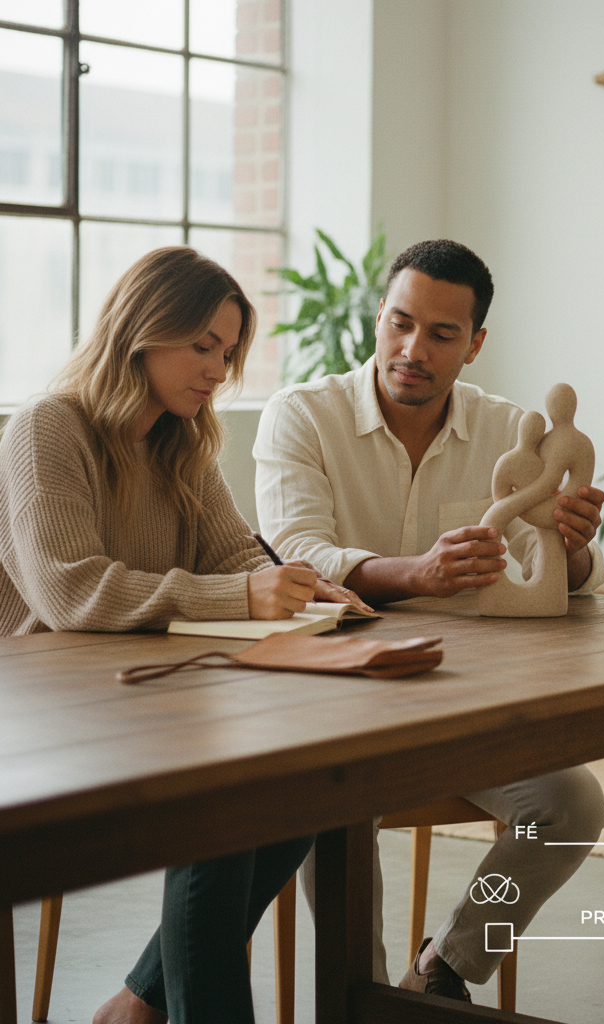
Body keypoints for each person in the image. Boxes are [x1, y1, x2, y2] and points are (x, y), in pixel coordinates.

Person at [0, 246, 362, 1024]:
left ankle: (139, 1001)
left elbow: (233, 555)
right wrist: (241, 593)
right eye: (202, 346)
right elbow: (69, 592)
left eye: (228, 353)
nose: (219, 370)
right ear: (141, 328)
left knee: (303, 788)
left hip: (143, 688)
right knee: (229, 801)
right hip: (43, 708)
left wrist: (297, 585)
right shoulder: (46, 428)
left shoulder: (181, 441)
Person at [253, 239, 604, 1001]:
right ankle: (363, 997)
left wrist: (571, 549)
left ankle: (442, 972)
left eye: (442, 334)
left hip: (459, 701)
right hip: (329, 704)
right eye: (400, 323)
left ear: (475, 343)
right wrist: (416, 573)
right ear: (379, 317)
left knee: (571, 804)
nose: (413, 349)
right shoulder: (302, 416)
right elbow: (298, 555)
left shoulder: (511, 432)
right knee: (332, 796)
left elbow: (564, 581)